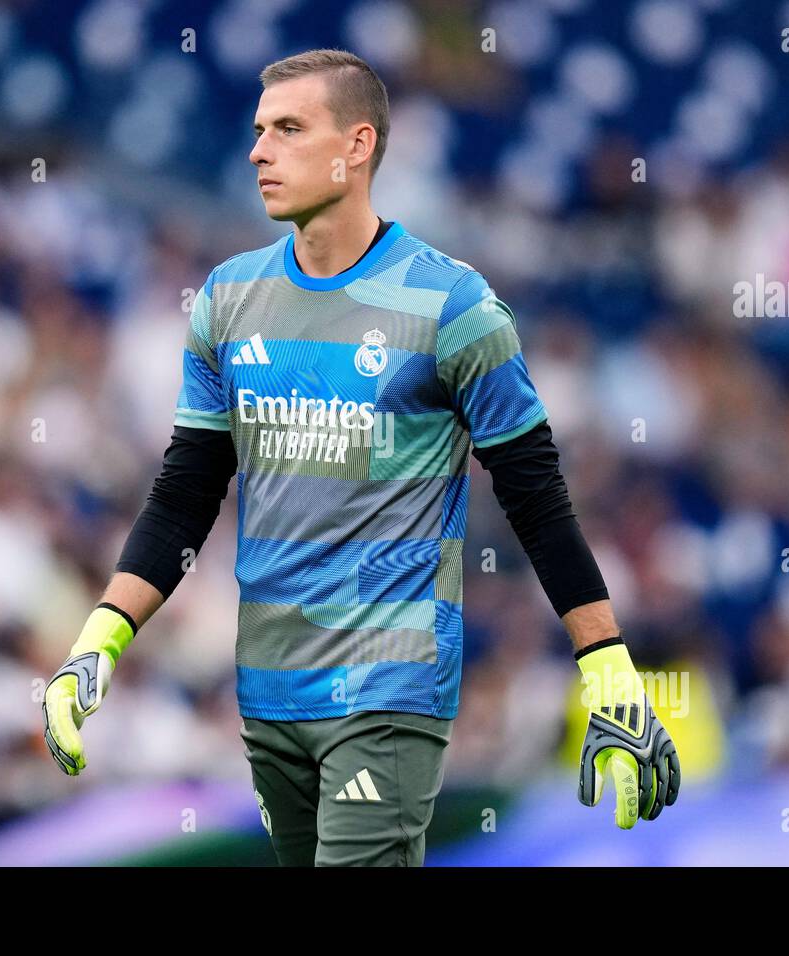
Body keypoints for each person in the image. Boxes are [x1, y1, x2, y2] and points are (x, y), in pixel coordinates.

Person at [41, 48, 679, 866]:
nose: (258, 151)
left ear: (357, 146)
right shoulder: (228, 300)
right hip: (270, 694)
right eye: (258, 130)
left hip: (388, 691)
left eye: (289, 129)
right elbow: (185, 495)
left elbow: (536, 498)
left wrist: (607, 665)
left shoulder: (454, 306)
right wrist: (99, 641)